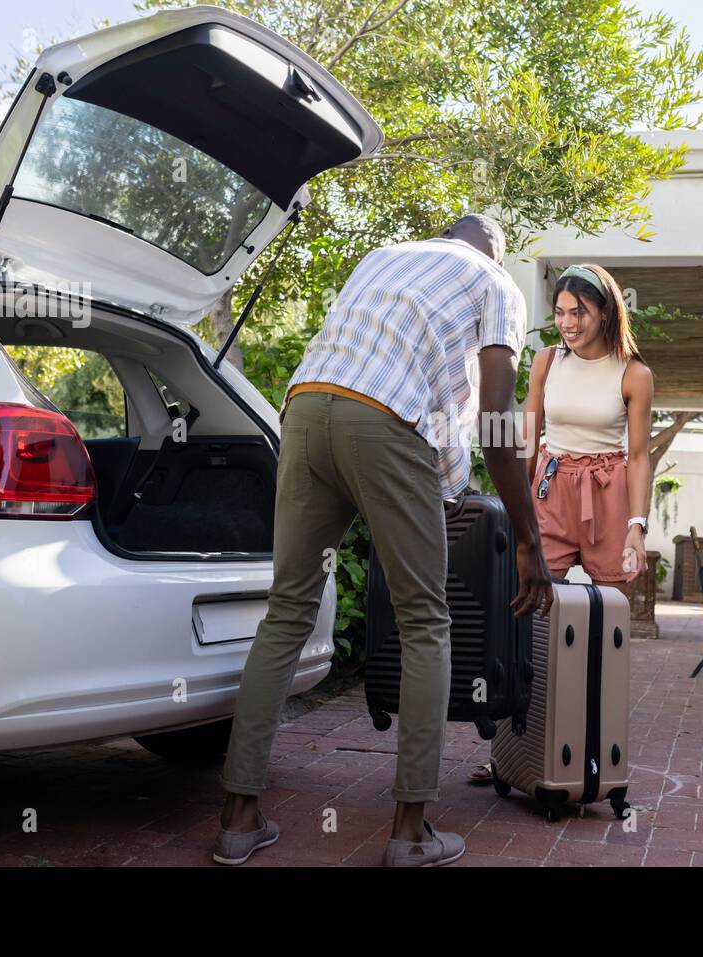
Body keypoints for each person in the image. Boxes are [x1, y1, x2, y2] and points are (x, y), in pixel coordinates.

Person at [214, 213, 553, 867]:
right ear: (495, 251)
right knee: (426, 620)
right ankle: (409, 832)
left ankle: (238, 817)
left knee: (285, 612)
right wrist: (530, 539)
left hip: (307, 409)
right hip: (385, 422)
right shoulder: (495, 283)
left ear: (446, 235)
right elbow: (495, 423)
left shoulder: (386, 256)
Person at [524, 263, 655, 595]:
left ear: (606, 313)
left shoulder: (634, 374)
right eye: (560, 312)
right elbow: (526, 440)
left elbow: (639, 457)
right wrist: (515, 512)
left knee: (612, 616)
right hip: (551, 491)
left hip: (608, 493)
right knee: (533, 610)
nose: (567, 323)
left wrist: (636, 528)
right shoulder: (546, 361)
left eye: (579, 313)